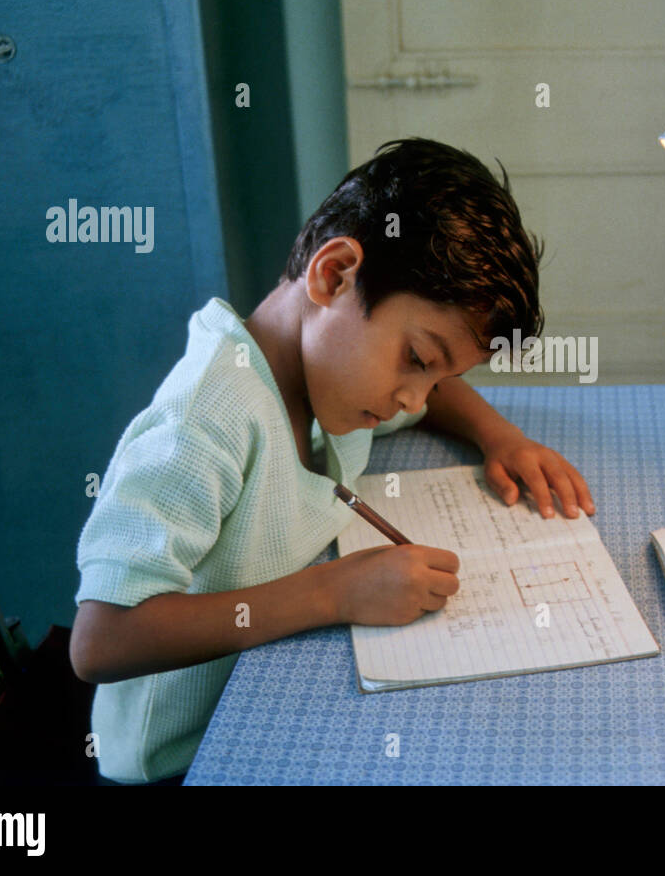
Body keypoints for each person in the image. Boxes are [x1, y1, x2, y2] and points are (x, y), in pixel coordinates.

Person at [70, 137, 595, 784]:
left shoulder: (331, 378)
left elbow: (433, 395)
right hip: (180, 759)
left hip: (263, 702)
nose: (415, 398)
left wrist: (499, 436)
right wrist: (334, 593)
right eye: (417, 360)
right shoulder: (206, 422)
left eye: (436, 376)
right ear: (335, 275)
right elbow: (101, 640)